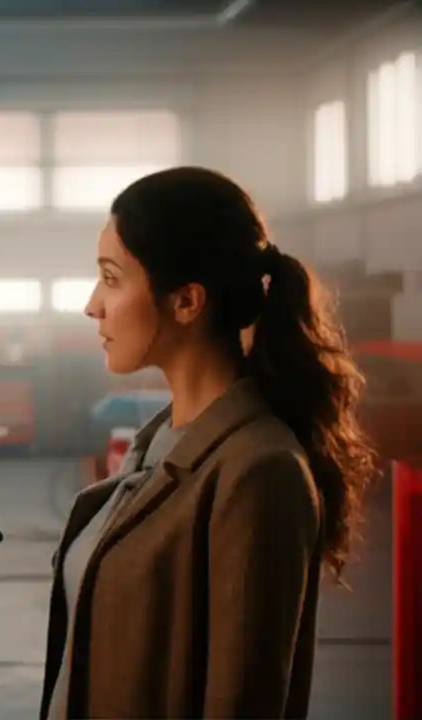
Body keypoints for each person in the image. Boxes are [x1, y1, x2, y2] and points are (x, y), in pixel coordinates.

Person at [42, 166, 378, 719]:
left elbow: (243, 704)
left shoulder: (259, 470)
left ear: (187, 301)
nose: (92, 305)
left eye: (111, 278)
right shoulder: (159, 446)